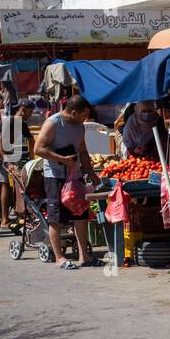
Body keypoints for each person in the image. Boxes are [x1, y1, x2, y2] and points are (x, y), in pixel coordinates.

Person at [33, 95, 99, 270]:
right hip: (55, 176)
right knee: (56, 217)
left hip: (75, 176)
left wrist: (91, 174)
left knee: (81, 215)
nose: (85, 119)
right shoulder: (53, 123)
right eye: (83, 115)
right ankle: (59, 258)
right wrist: (62, 159)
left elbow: (83, 151)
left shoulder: (80, 126)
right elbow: (38, 149)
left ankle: (84, 256)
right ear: (74, 112)